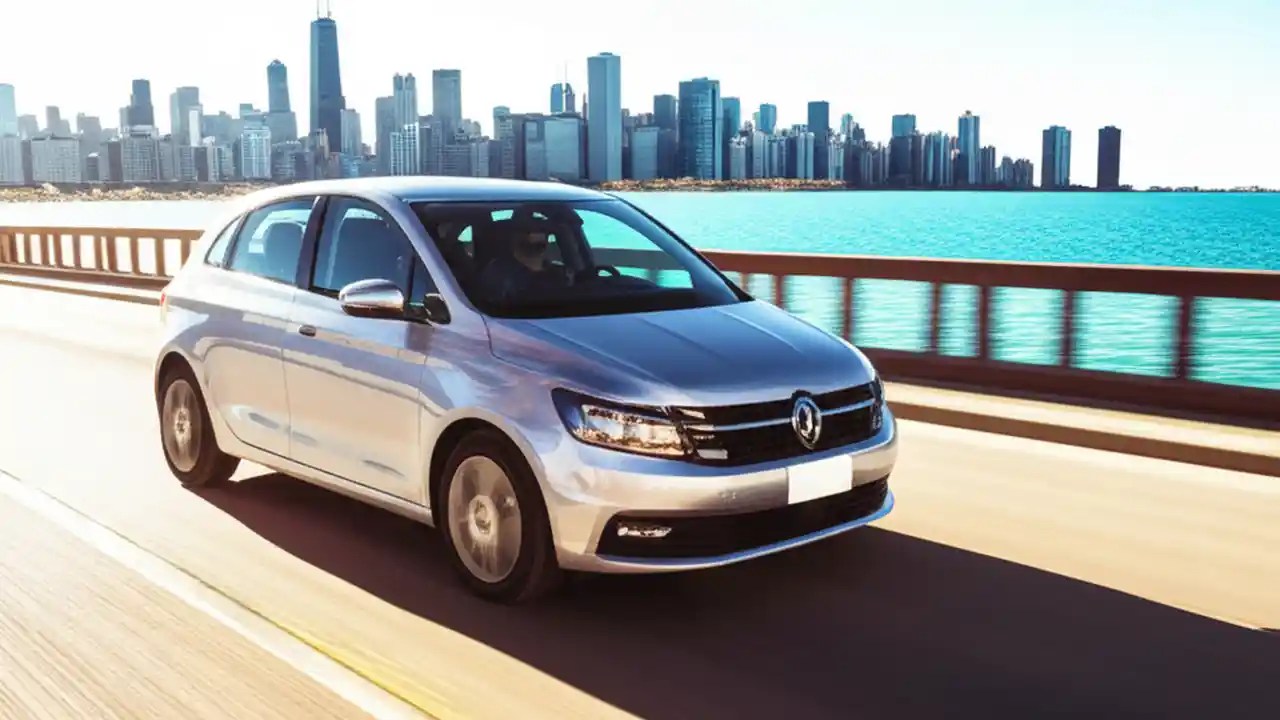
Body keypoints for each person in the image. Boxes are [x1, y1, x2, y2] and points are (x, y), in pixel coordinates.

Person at [475, 221, 569, 305]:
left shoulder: (560, 273)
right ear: (512, 238)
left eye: (539, 230)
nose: (532, 235)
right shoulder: (497, 273)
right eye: (526, 230)